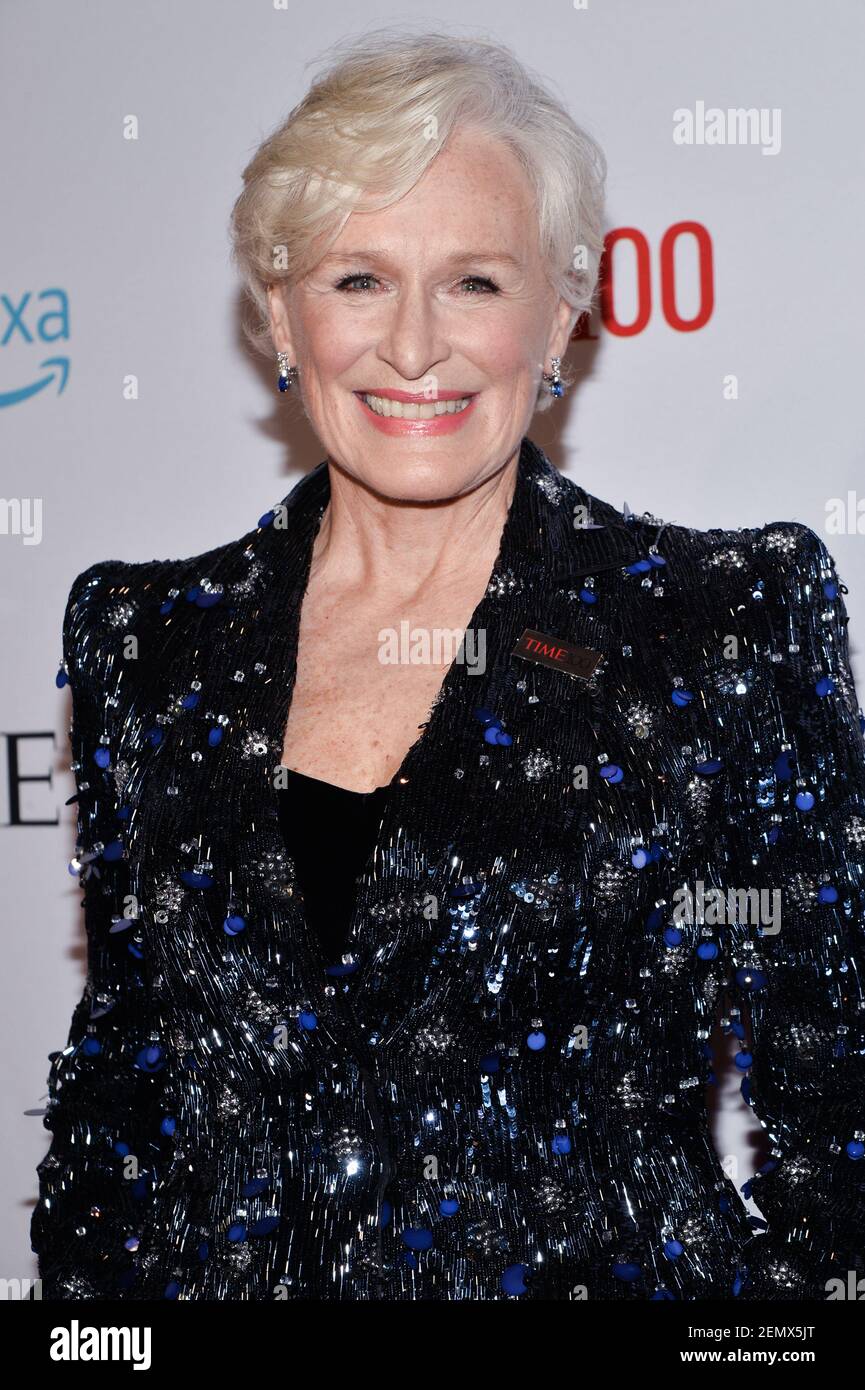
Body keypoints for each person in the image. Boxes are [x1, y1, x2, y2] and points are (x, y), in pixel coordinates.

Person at [31, 29, 865, 1301]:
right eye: (357, 278)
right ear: (278, 312)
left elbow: (842, 1130)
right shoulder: (148, 640)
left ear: (562, 316)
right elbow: (123, 1096)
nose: (413, 347)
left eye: (474, 281)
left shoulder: (721, 623)